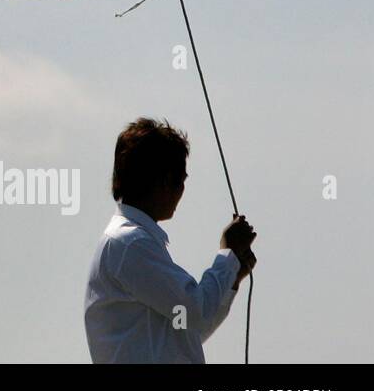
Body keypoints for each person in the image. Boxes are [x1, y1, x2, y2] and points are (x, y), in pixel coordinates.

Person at [84, 117, 256, 363]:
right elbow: (195, 312)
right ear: (165, 182)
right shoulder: (130, 244)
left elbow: (190, 327)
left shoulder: (129, 242)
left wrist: (232, 278)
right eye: (182, 179)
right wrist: (227, 255)